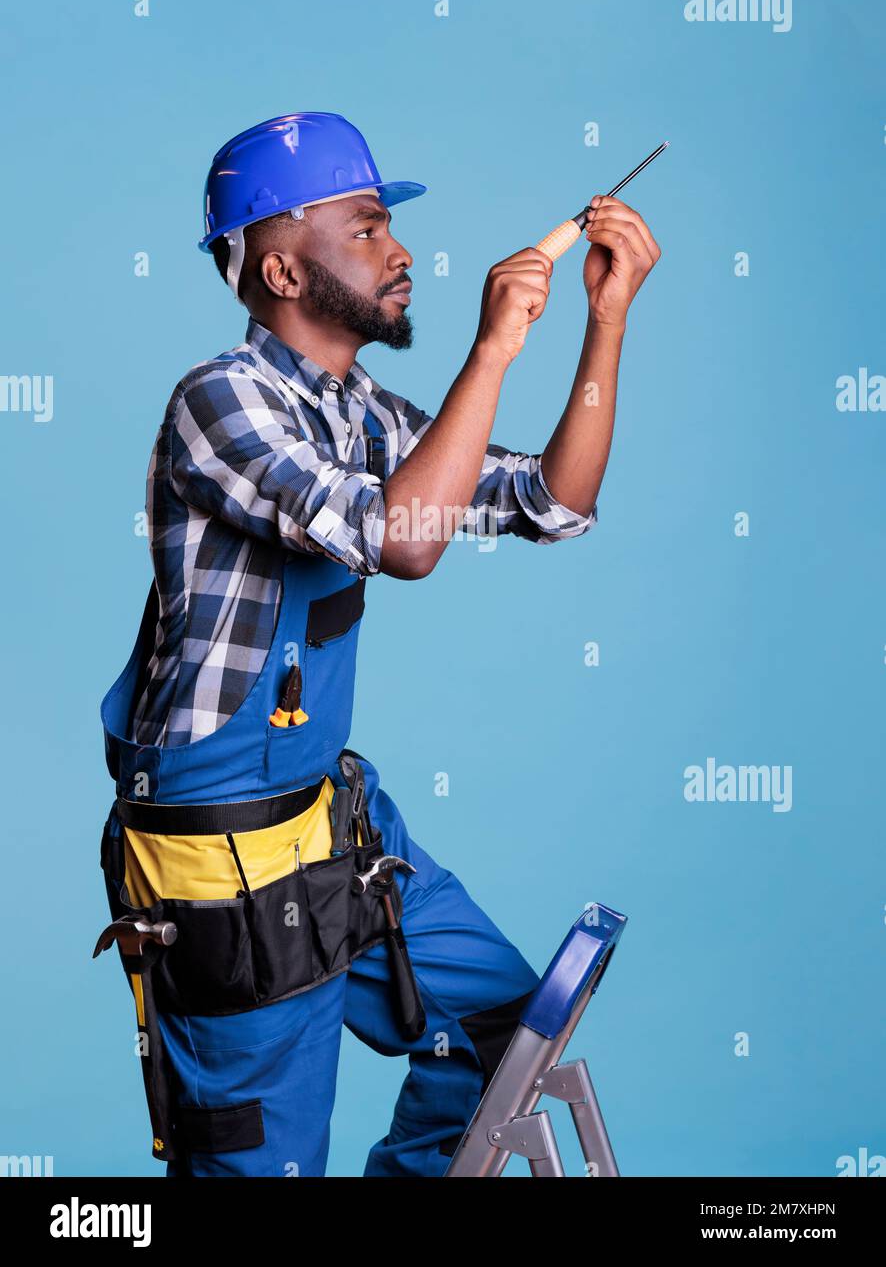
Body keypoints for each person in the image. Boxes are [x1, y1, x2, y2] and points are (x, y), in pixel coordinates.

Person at [96, 112, 661, 1177]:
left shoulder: (360, 409)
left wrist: (605, 322)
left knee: (507, 1033)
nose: (400, 251)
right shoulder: (220, 402)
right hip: (228, 871)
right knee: (257, 1166)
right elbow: (401, 540)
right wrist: (494, 347)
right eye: (364, 228)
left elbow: (554, 498)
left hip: (333, 825)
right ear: (281, 266)